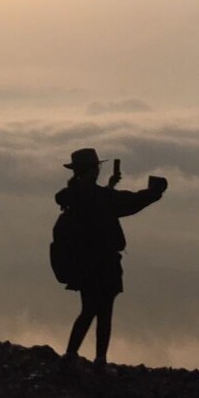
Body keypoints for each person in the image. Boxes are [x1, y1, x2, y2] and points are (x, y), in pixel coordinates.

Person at [56, 147, 167, 371]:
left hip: (83, 264)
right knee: (104, 312)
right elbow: (130, 202)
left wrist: (109, 187)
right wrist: (154, 193)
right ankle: (100, 360)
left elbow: (94, 202)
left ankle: (70, 354)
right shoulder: (102, 198)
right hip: (105, 263)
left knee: (88, 309)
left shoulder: (73, 197)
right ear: (93, 170)